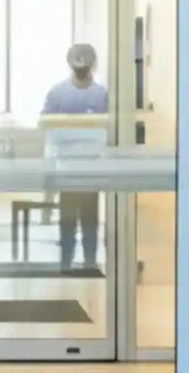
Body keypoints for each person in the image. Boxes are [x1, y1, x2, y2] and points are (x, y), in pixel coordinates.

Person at [42, 43, 109, 270]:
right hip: (68, 165)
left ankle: (89, 260)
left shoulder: (102, 95)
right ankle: (66, 261)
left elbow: (109, 130)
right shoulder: (58, 93)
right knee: (68, 218)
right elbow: (47, 126)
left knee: (90, 218)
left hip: (92, 165)